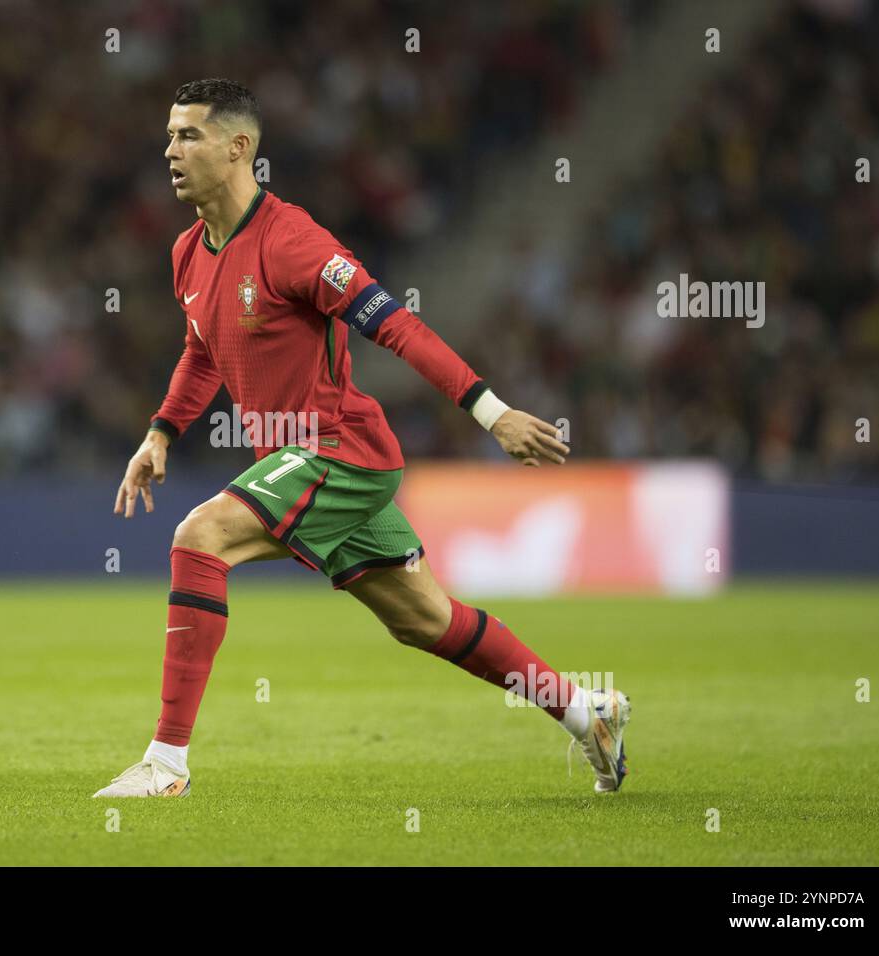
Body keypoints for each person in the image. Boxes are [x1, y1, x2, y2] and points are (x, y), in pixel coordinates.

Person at [96, 79, 629, 798]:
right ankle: (584, 710)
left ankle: (165, 764)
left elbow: (397, 325)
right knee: (424, 620)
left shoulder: (294, 243)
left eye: (188, 135)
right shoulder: (188, 254)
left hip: (338, 450)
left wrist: (489, 409)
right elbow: (202, 349)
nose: (170, 151)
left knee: (200, 536)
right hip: (299, 462)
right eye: (169, 135)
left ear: (238, 148)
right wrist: (162, 431)